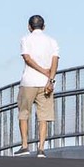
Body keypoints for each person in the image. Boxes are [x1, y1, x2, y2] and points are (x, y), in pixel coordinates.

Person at [16, 14, 59, 156]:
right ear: (44, 26)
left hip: (28, 82)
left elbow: (27, 59)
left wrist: (41, 70)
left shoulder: (25, 39)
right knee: (43, 117)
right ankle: (41, 149)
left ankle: (25, 146)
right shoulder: (52, 41)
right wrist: (50, 79)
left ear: (29, 27)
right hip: (45, 83)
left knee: (23, 113)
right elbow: (55, 61)